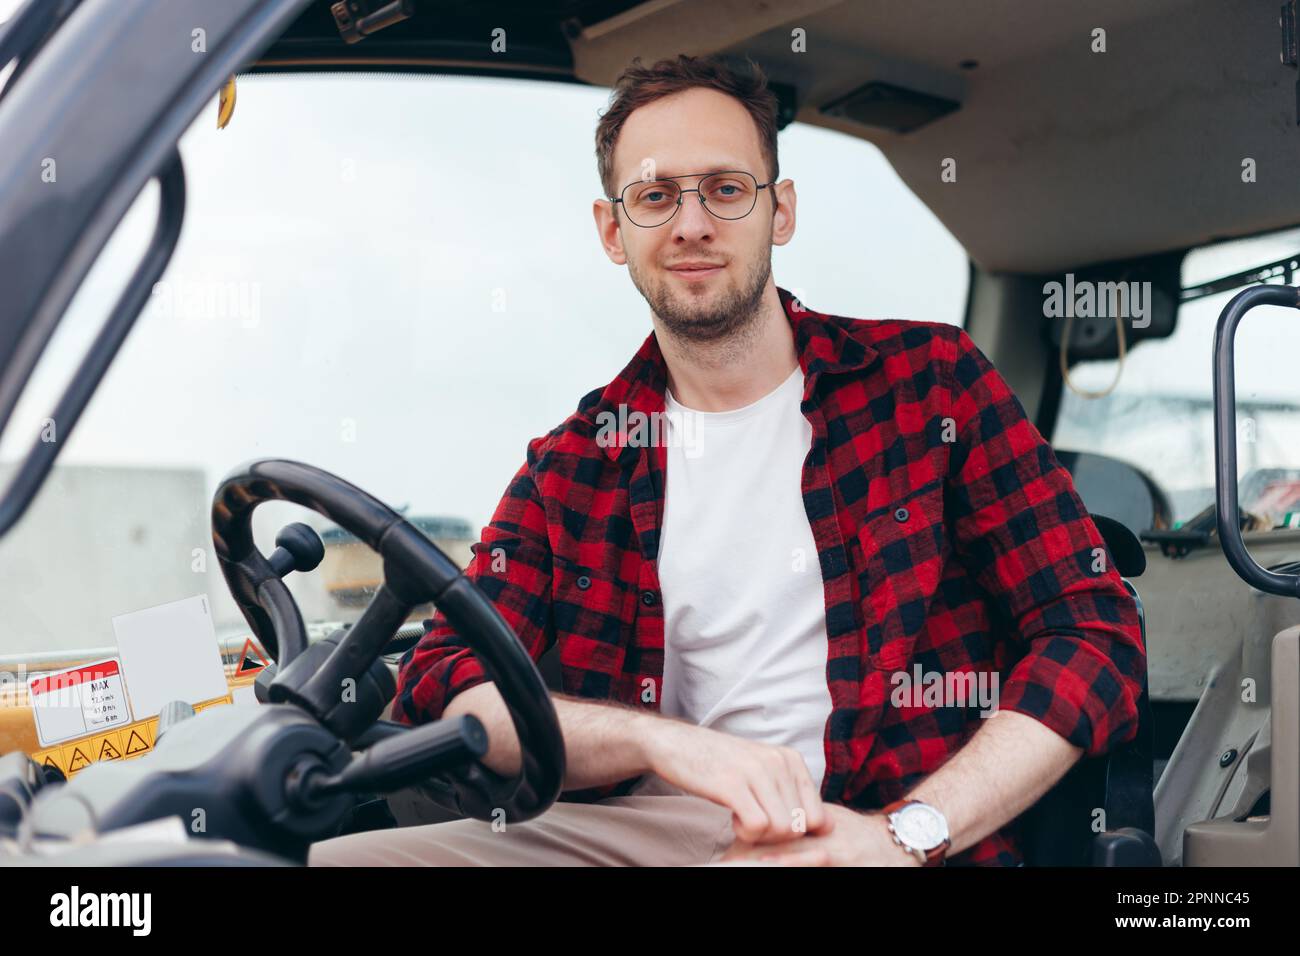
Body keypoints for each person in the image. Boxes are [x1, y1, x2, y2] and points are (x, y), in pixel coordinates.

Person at [309, 53, 1145, 867]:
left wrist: (906, 834)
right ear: (613, 229)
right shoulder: (573, 465)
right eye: (655, 195)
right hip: (647, 829)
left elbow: (1095, 635)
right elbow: (445, 686)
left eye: (725, 188)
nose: (693, 223)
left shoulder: (932, 388)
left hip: (869, 829)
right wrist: (660, 742)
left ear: (779, 212)